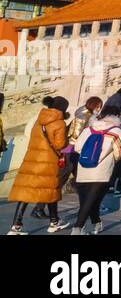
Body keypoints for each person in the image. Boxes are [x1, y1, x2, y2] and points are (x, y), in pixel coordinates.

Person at [8, 96, 70, 234]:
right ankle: (54, 222)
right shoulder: (59, 123)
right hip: (47, 162)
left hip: (32, 160)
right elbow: (60, 144)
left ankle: (15, 227)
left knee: (26, 193)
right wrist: (67, 141)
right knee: (50, 191)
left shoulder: (39, 121)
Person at [70, 106, 121, 235]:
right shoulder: (117, 132)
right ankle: (77, 228)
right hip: (102, 171)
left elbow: (77, 147)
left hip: (84, 169)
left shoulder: (89, 129)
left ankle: (96, 224)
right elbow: (120, 153)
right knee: (91, 200)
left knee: (86, 200)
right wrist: (108, 159)